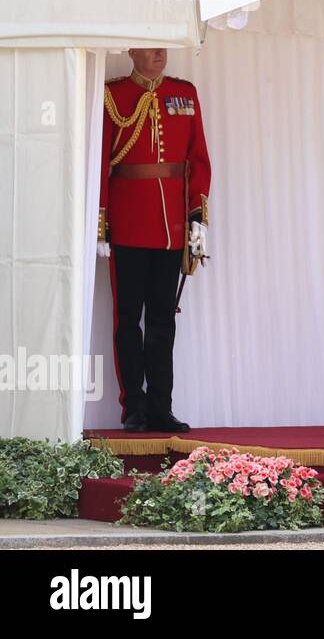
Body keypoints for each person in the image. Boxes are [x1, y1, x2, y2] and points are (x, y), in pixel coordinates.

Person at [98, 48, 211, 433]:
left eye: (163, 46)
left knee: (163, 321)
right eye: (149, 47)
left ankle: (161, 407)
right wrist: (102, 222)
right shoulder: (113, 97)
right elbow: (101, 163)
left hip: (172, 230)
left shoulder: (185, 94)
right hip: (128, 224)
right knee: (128, 320)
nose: (160, 54)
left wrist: (197, 217)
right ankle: (134, 406)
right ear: (131, 52)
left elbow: (197, 159)